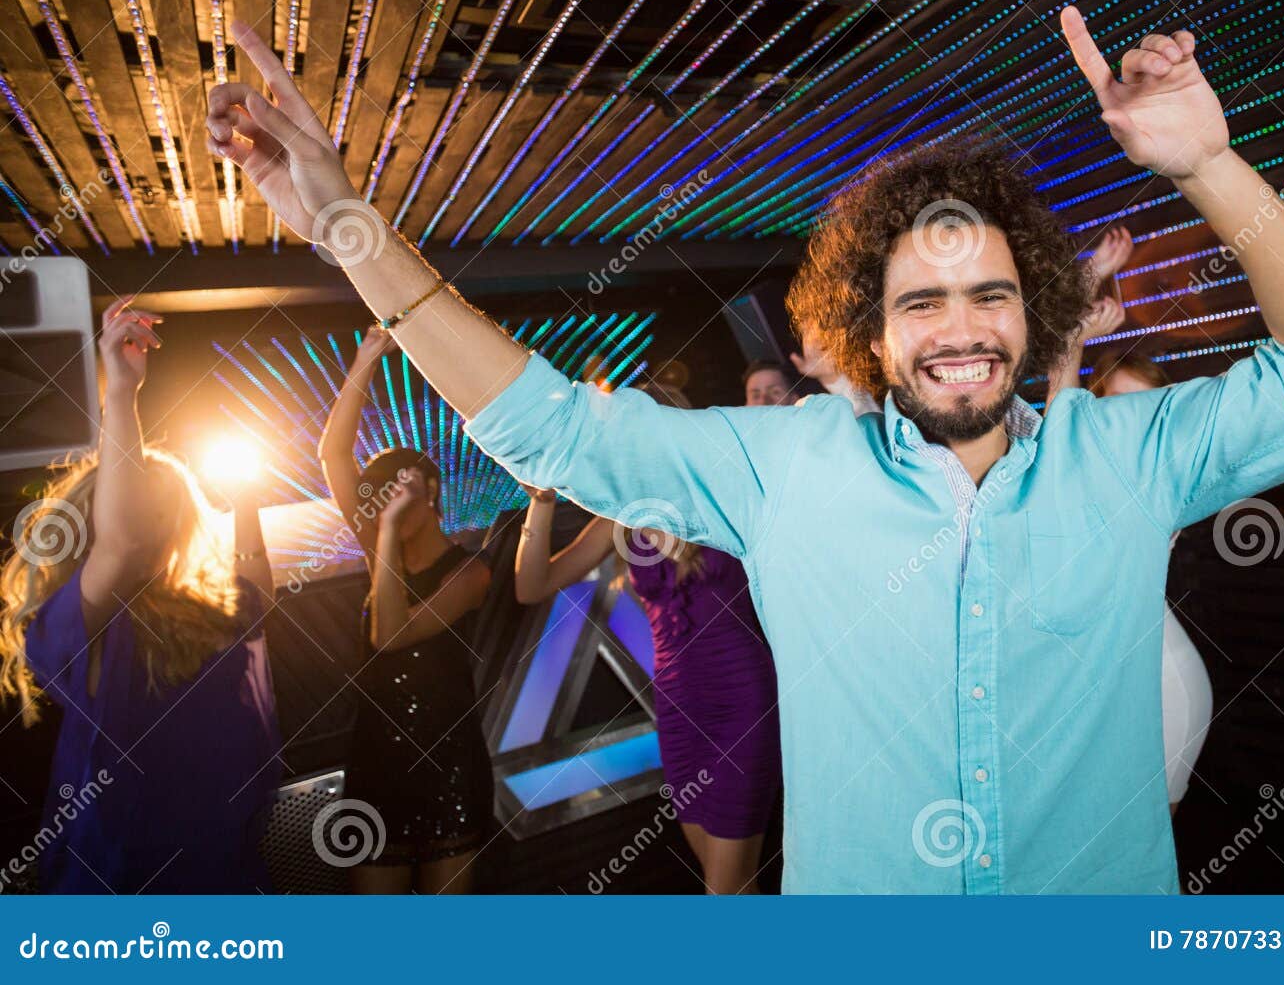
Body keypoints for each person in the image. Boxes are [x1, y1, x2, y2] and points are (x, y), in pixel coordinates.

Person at [206, 5, 1284, 893]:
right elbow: (550, 423)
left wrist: (1208, 166)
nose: (960, 330)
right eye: (920, 302)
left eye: (989, 294)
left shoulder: (1130, 452)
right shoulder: (783, 465)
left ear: (1033, 310)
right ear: (871, 336)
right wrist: (348, 228)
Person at [0, 298, 280, 892]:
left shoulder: (213, 607)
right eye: (139, 500)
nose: (152, 515)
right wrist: (121, 393)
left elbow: (259, 591)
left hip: (221, 875)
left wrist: (249, 493)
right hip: (121, 887)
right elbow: (122, 542)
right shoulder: (72, 624)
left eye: (163, 503)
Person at [514, 384, 781, 894]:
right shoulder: (621, 512)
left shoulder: (724, 485)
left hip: (740, 698)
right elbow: (532, 586)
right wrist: (542, 502)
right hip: (678, 706)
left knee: (727, 887)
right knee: (719, 877)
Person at [318, 326, 494, 893]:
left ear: (434, 492)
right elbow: (333, 454)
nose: (388, 502)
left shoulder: (470, 571)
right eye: (381, 493)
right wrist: (367, 357)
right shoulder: (379, 551)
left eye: (402, 489)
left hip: (449, 764)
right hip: (376, 761)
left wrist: (387, 533)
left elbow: (390, 636)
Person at [1046, 227, 1214, 819]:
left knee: (1141, 865)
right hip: (1090, 684)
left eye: (1142, 409)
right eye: (1113, 404)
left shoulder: (1160, 479)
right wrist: (1089, 281)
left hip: (1158, 682)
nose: (1127, 421)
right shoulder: (1068, 466)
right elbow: (1059, 412)